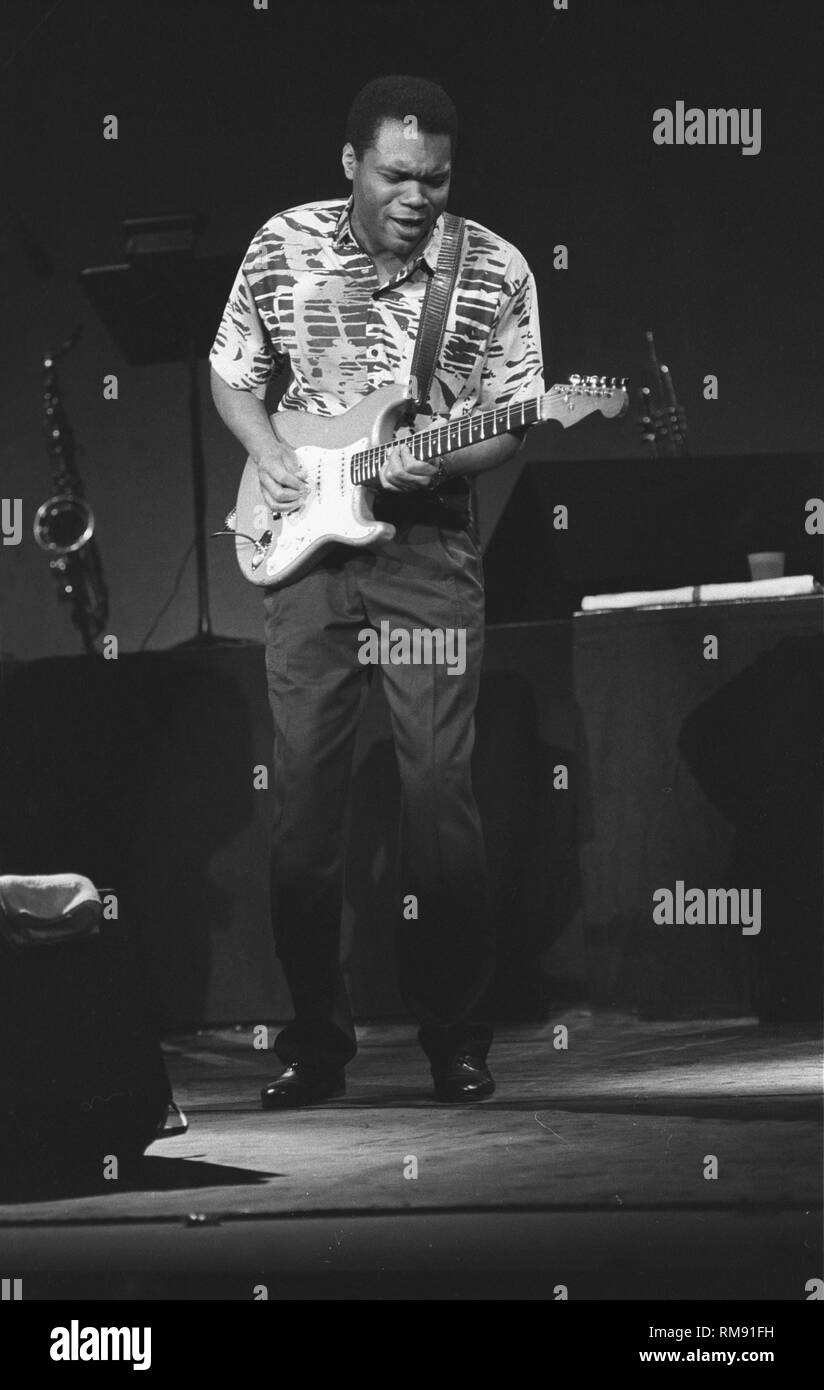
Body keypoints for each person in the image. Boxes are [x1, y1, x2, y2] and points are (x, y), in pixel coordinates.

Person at [210, 74, 544, 1108]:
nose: (415, 196)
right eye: (395, 174)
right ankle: (314, 1046)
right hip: (308, 548)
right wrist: (267, 448)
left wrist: (439, 459)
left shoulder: (490, 268)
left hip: (425, 549)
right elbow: (232, 371)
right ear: (349, 163)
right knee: (303, 811)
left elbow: (510, 418)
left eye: (433, 179)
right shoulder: (281, 243)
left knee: (439, 797)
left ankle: (456, 1042)